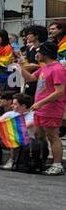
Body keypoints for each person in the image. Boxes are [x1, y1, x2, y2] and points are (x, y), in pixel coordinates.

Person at [29, 43, 66, 175]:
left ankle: (57, 164)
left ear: (46, 53)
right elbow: (30, 78)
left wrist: (41, 102)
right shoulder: (45, 68)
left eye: (39, 52)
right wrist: (20, 66)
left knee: (52, 136)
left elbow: (60, 91)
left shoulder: (57, 69)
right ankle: (40, 161)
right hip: (40, 108)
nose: (36, 54)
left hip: (51, 108)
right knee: (39, 135)